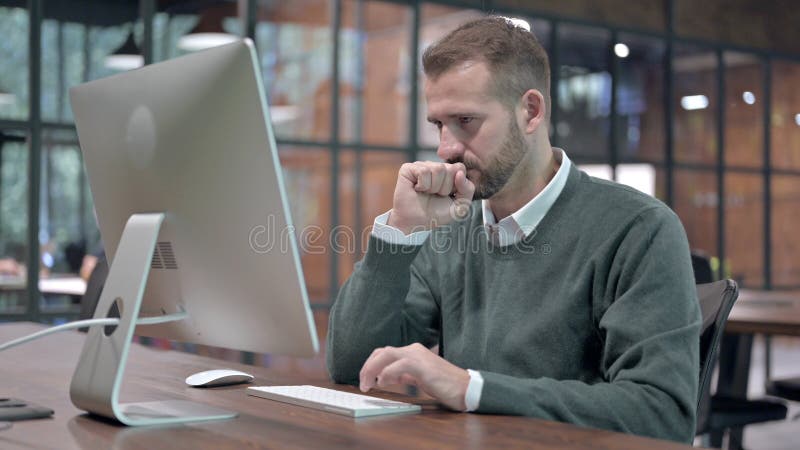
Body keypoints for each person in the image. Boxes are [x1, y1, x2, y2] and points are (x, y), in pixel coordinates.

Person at [326, 16, 700, 444]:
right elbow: (351, 366)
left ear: (531, 111)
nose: (445, 148)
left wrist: (472, 388)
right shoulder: (450, 229)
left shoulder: (639, 228)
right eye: (438, 124)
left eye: (466, 120)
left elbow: (661, 414)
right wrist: (400, 231)